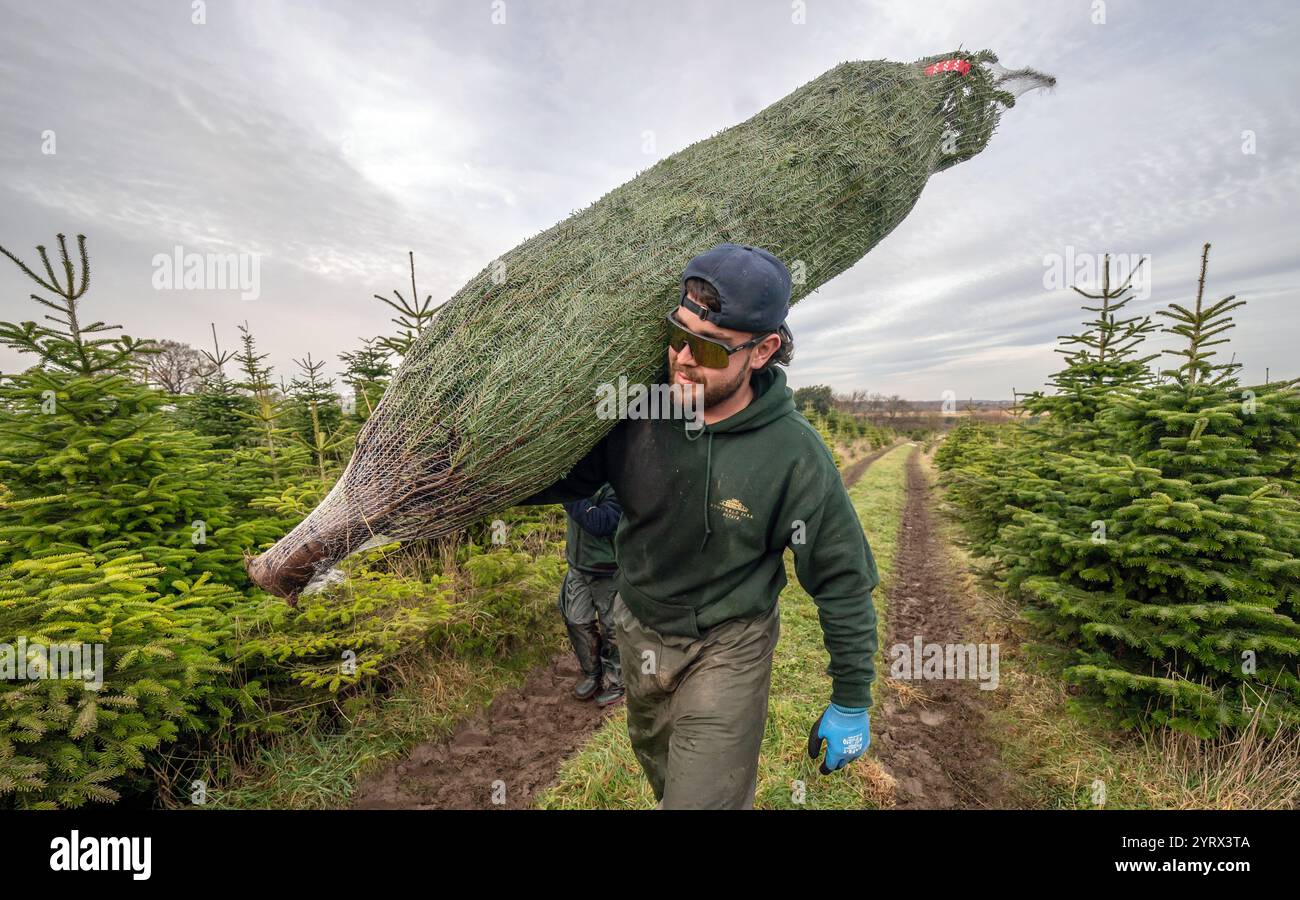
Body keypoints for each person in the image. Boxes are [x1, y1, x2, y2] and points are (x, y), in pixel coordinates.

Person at [526, 243, 880, 809]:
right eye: (678, 336)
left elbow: (842, 578)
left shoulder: (793, 454)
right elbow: (566, 479)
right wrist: (470, 484)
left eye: (710, 352)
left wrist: (851, 699)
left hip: (728, 643)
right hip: (638, 626)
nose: (684, 360)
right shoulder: (641, 414)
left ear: (762, 350)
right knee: (664, 770)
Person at [559, 484, 624, 706]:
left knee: (612, 627)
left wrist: (565, 493)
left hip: (608, 569)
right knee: (576, 620)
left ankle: (618, 682)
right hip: (577, 566)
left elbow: (599, 523)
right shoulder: (578, 476)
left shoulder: (616, 482)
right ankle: (592, 674)